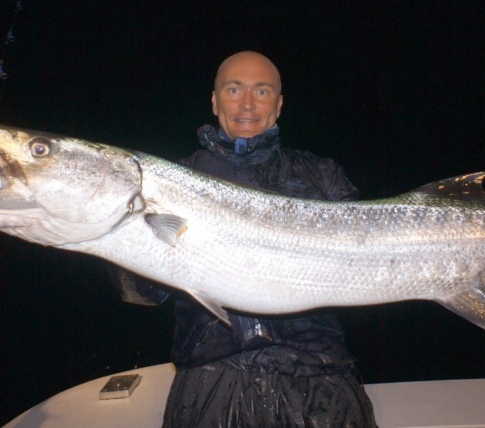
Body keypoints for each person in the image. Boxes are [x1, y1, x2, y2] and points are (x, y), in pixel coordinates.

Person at [112, 51, 376, 427]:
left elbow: (372, 264)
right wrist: (115, 232)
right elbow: (145, 294)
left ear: (278, 105)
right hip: (211, 385)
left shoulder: (322, 177)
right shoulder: (171, 180)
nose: (248, 104)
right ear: (215, 101)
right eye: (234, 90)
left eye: (262, 91)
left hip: (319, 383)